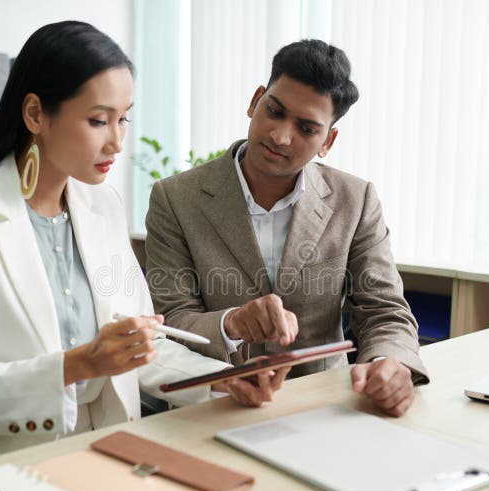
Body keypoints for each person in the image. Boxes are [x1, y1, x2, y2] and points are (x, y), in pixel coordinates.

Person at [0, 21, 288, 482]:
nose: (117, 141)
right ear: (36, 114)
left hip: (98, 454)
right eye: (98, 120)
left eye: (123, 119)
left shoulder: (100, 205)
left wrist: (220, 378)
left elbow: (144, 347)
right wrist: (81, 363)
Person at [146, 39, 429, 418]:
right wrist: (232, 323)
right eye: (274, 111)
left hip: (324, 406)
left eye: (307, 128)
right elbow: (172, 319)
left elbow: (384, 309)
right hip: (214, 403)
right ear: (255, 101)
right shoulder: (174, 197)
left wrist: (391, 361)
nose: (280, 136)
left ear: (327, 141)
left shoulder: (355, 199)